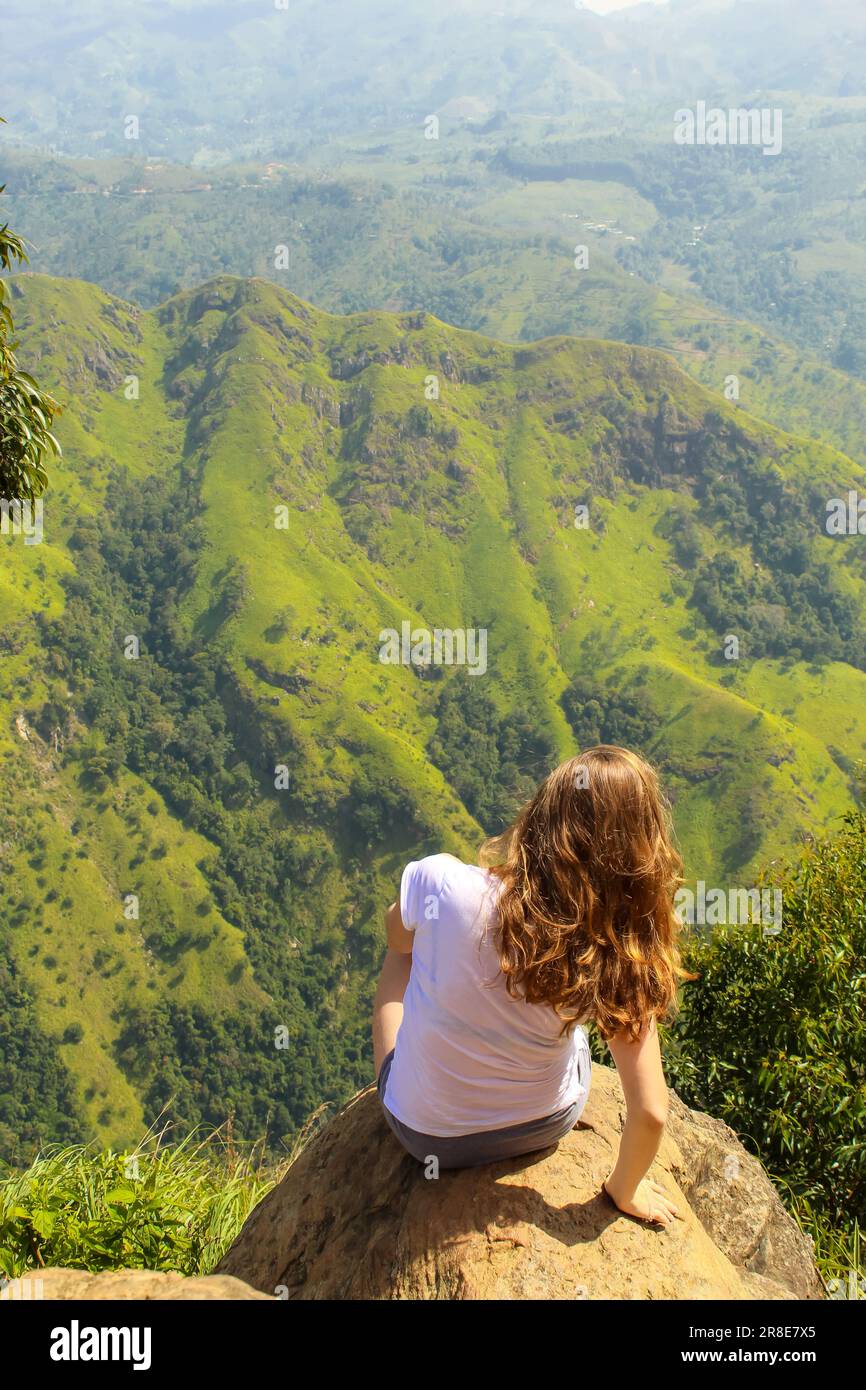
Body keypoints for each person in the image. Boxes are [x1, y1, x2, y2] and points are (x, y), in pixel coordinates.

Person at [372, 745, 688, 1227]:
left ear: (540, 817)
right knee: (573, 1029)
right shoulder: (620, 951)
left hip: (422, 1133)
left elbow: (396, 935)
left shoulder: (445, 883)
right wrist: (625, 1190)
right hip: (545, 1124)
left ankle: (397, 1077)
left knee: (401, 957)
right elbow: (651, 1113)